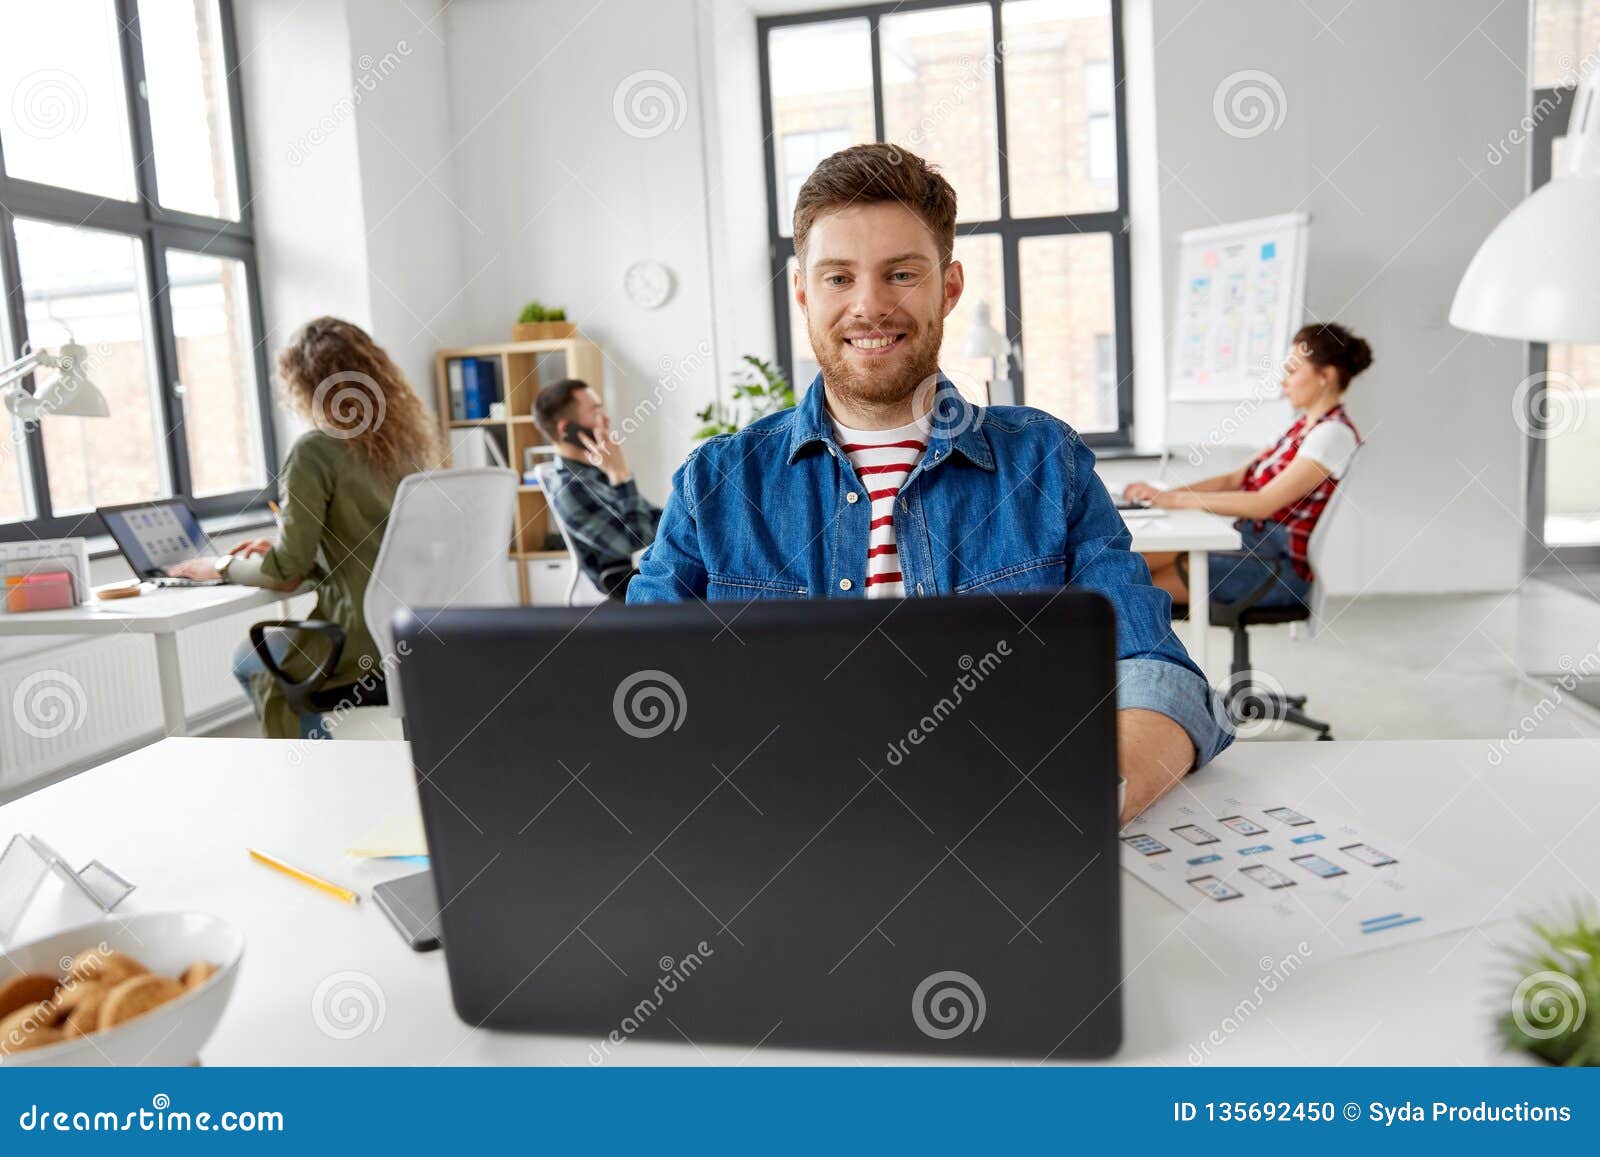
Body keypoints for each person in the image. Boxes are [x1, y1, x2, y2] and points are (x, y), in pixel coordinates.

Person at [628, 143, 1232, 823]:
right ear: (802, 292)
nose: (869, 305)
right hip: (776, 838)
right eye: (838, 278)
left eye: (901, 274)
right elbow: (634, 688)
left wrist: (1081, 801)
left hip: (999, 833)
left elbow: (1155, 672)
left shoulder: (1044, 461)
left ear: (948, 286)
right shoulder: (716, 484)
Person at [166, 317, 438, 739]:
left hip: (358, 638)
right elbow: (369, 546)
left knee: (253, 665)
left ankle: (314, 775)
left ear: (306, 384)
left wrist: (220, 567)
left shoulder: (316, 450)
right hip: (416, 630)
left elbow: (286, 571)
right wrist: (299, 546)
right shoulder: (406, 446)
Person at [1125, 324, 1370, 612]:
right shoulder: (1297, 428)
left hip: (1275, 566)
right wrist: (1159, 497)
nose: (1283, 381)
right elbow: (1233, 479)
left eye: (1292, 371)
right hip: (1246, 547)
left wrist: (1173, 500)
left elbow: (1262, 504)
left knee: (1134, 585)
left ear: (1325, 376)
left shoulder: (1332, 435)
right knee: (1126, 565)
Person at [533, 378, 661, 599]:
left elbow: (658, 522)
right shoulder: (568, 488)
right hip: (628, 585)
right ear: (566, 428)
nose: (606, 419)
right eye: (596, 412)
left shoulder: (596, 472)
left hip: (648, 574)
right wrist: (620, 476)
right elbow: (636, 542)